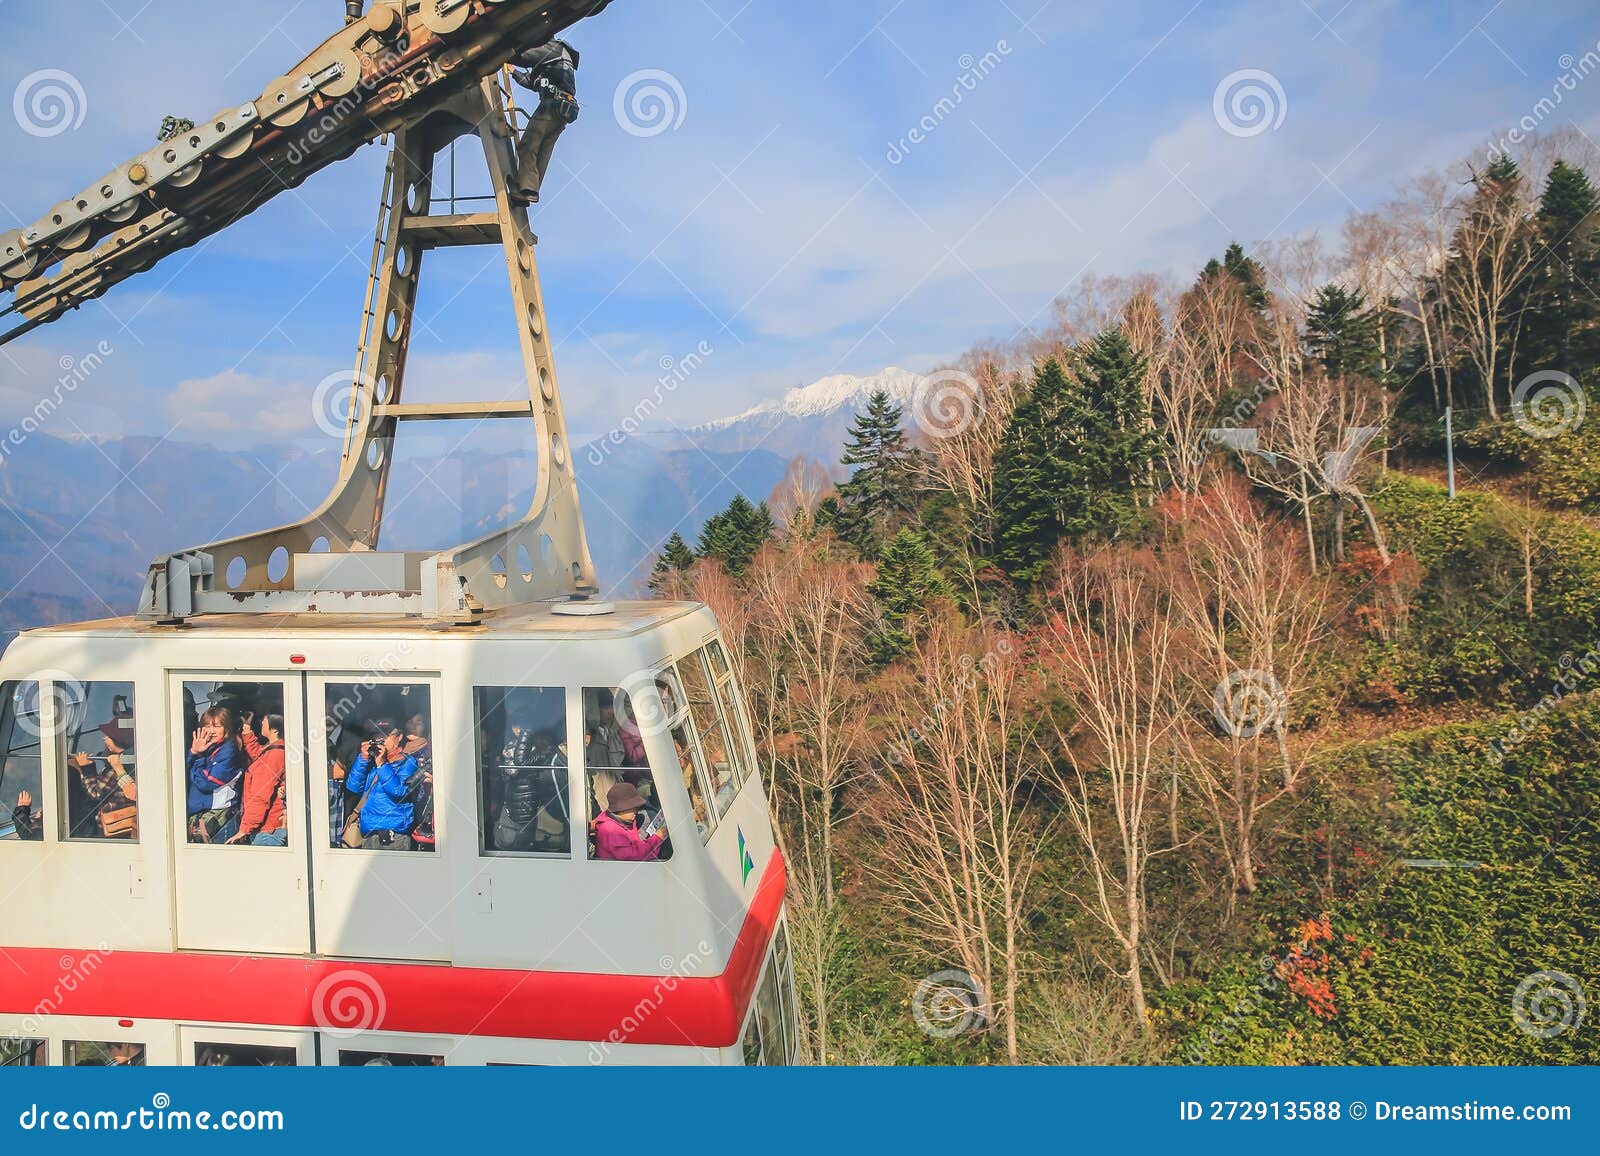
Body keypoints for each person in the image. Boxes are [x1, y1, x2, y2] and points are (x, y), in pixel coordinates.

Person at [508, 39, 580, 205]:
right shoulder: (555, 62)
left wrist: (502, 52)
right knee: (542, 151)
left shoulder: (554, 49)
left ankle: (527, 189)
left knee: (527, 146)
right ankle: (529, 190)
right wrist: (513, 72)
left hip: (551, 106)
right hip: (562, 111)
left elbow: (525, 56)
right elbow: (534, 83)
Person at [347, 725, 418, 851]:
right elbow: (353, 787)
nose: (380, 740)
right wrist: (363, 759)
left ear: (399, 737)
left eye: (385, 736)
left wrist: (382, 764)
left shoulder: (408, 762)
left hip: (394, 835)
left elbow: (399, 791)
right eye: (375, 736)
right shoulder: (372, 761)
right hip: (368, 832)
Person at [226, 714, 288, 847]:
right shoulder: (274, 749)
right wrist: (247, 730)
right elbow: (257, 755)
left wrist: (245, 828)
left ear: (275, 729)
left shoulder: (274, 755)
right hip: (268, 827)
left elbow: (261, 794)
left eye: (264, 722)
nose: (261, 724)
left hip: (267, 830)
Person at [185, 707, 246, 843]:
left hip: (219, 816)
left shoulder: (228, 751)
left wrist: (198, 757)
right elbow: (182, 772)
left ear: (227, 728)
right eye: (207, 726)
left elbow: (206, 782)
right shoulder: (208, 747)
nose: (211, 731)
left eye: (217, 726)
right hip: (201, 815)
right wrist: (193, 752)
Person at [594, 782, 666, 862]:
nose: (636, 811)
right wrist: (657, 838)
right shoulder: (610, 830)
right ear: (621, 809)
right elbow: (633, 857)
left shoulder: (625, 821)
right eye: (633, 807)